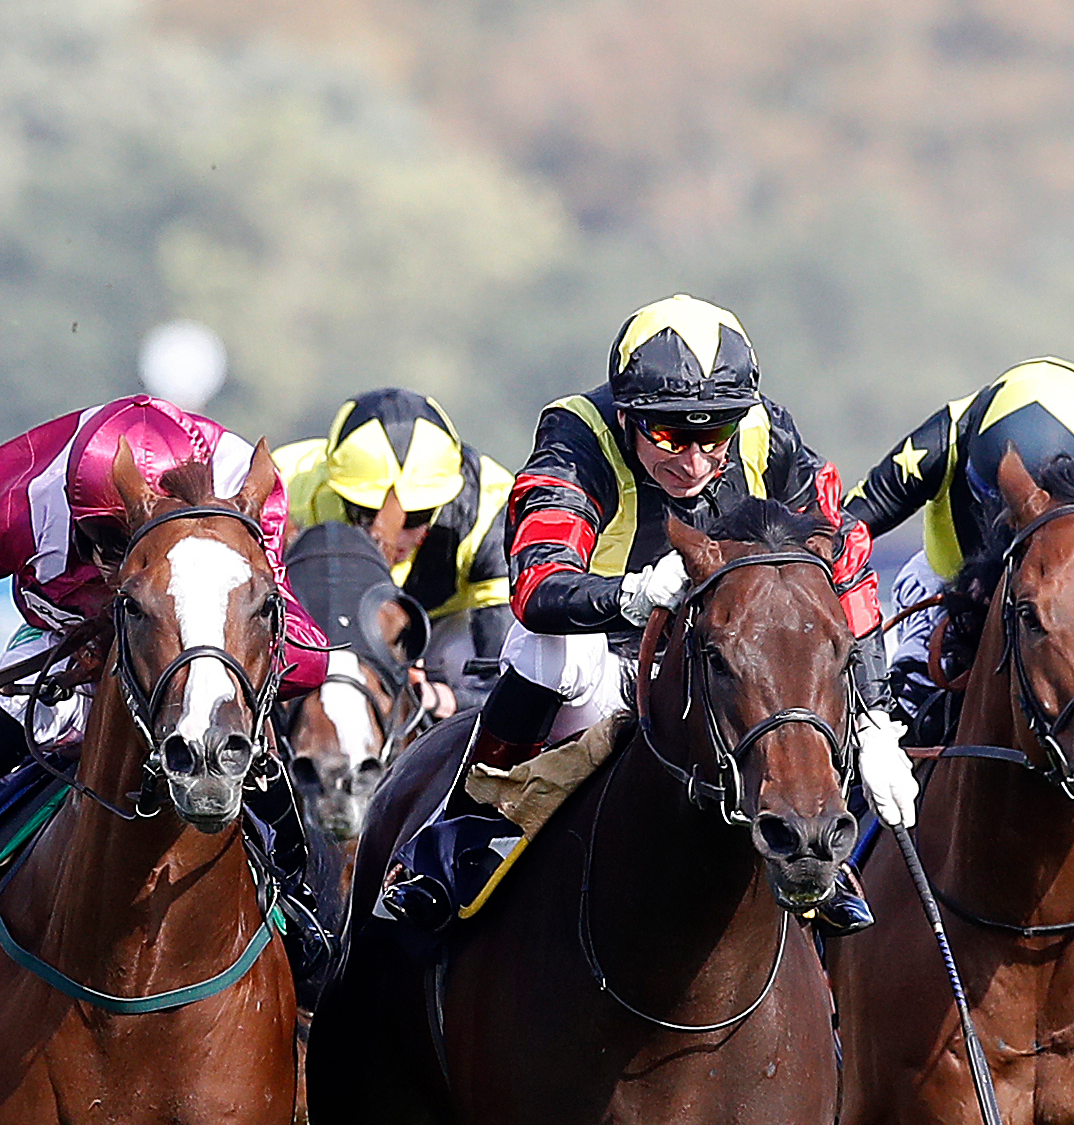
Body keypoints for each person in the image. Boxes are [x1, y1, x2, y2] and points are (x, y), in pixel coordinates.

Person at [374, 296, 905, 941]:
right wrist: (631, 594)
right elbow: (540, 586)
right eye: (668, 435)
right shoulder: (576, 439)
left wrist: (874, 719)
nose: (694, 461)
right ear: (626, 415)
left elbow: (843, 565)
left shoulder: (771, 435)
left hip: (715, 661)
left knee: (796, 642)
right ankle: (468, 829)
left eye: (715, 434)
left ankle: (812, 844)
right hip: (602, 654)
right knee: (552, 650)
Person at [0, 395, 346, 996]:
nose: (113, 557)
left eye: (125, 536)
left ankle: (299, 894)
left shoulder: (241, 480)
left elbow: (282, 632)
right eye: (101, 536)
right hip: (64, 628)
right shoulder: (16, 491)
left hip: (195, 632)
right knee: (13, 721)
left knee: (245, 727)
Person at [842, 356, 1074, 902]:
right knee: (903, 708)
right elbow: (843, 527)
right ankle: (849, 855)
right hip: (953, 580)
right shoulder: (947, 434)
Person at [272, 387, 514, 714]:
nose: (391, 534)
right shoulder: (283, 486)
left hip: (442, 629)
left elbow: (500, 674)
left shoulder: (494, 509)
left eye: (415, 516)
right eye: (365, 511)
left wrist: (444, 699)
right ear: (335, 488)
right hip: (319, 627)